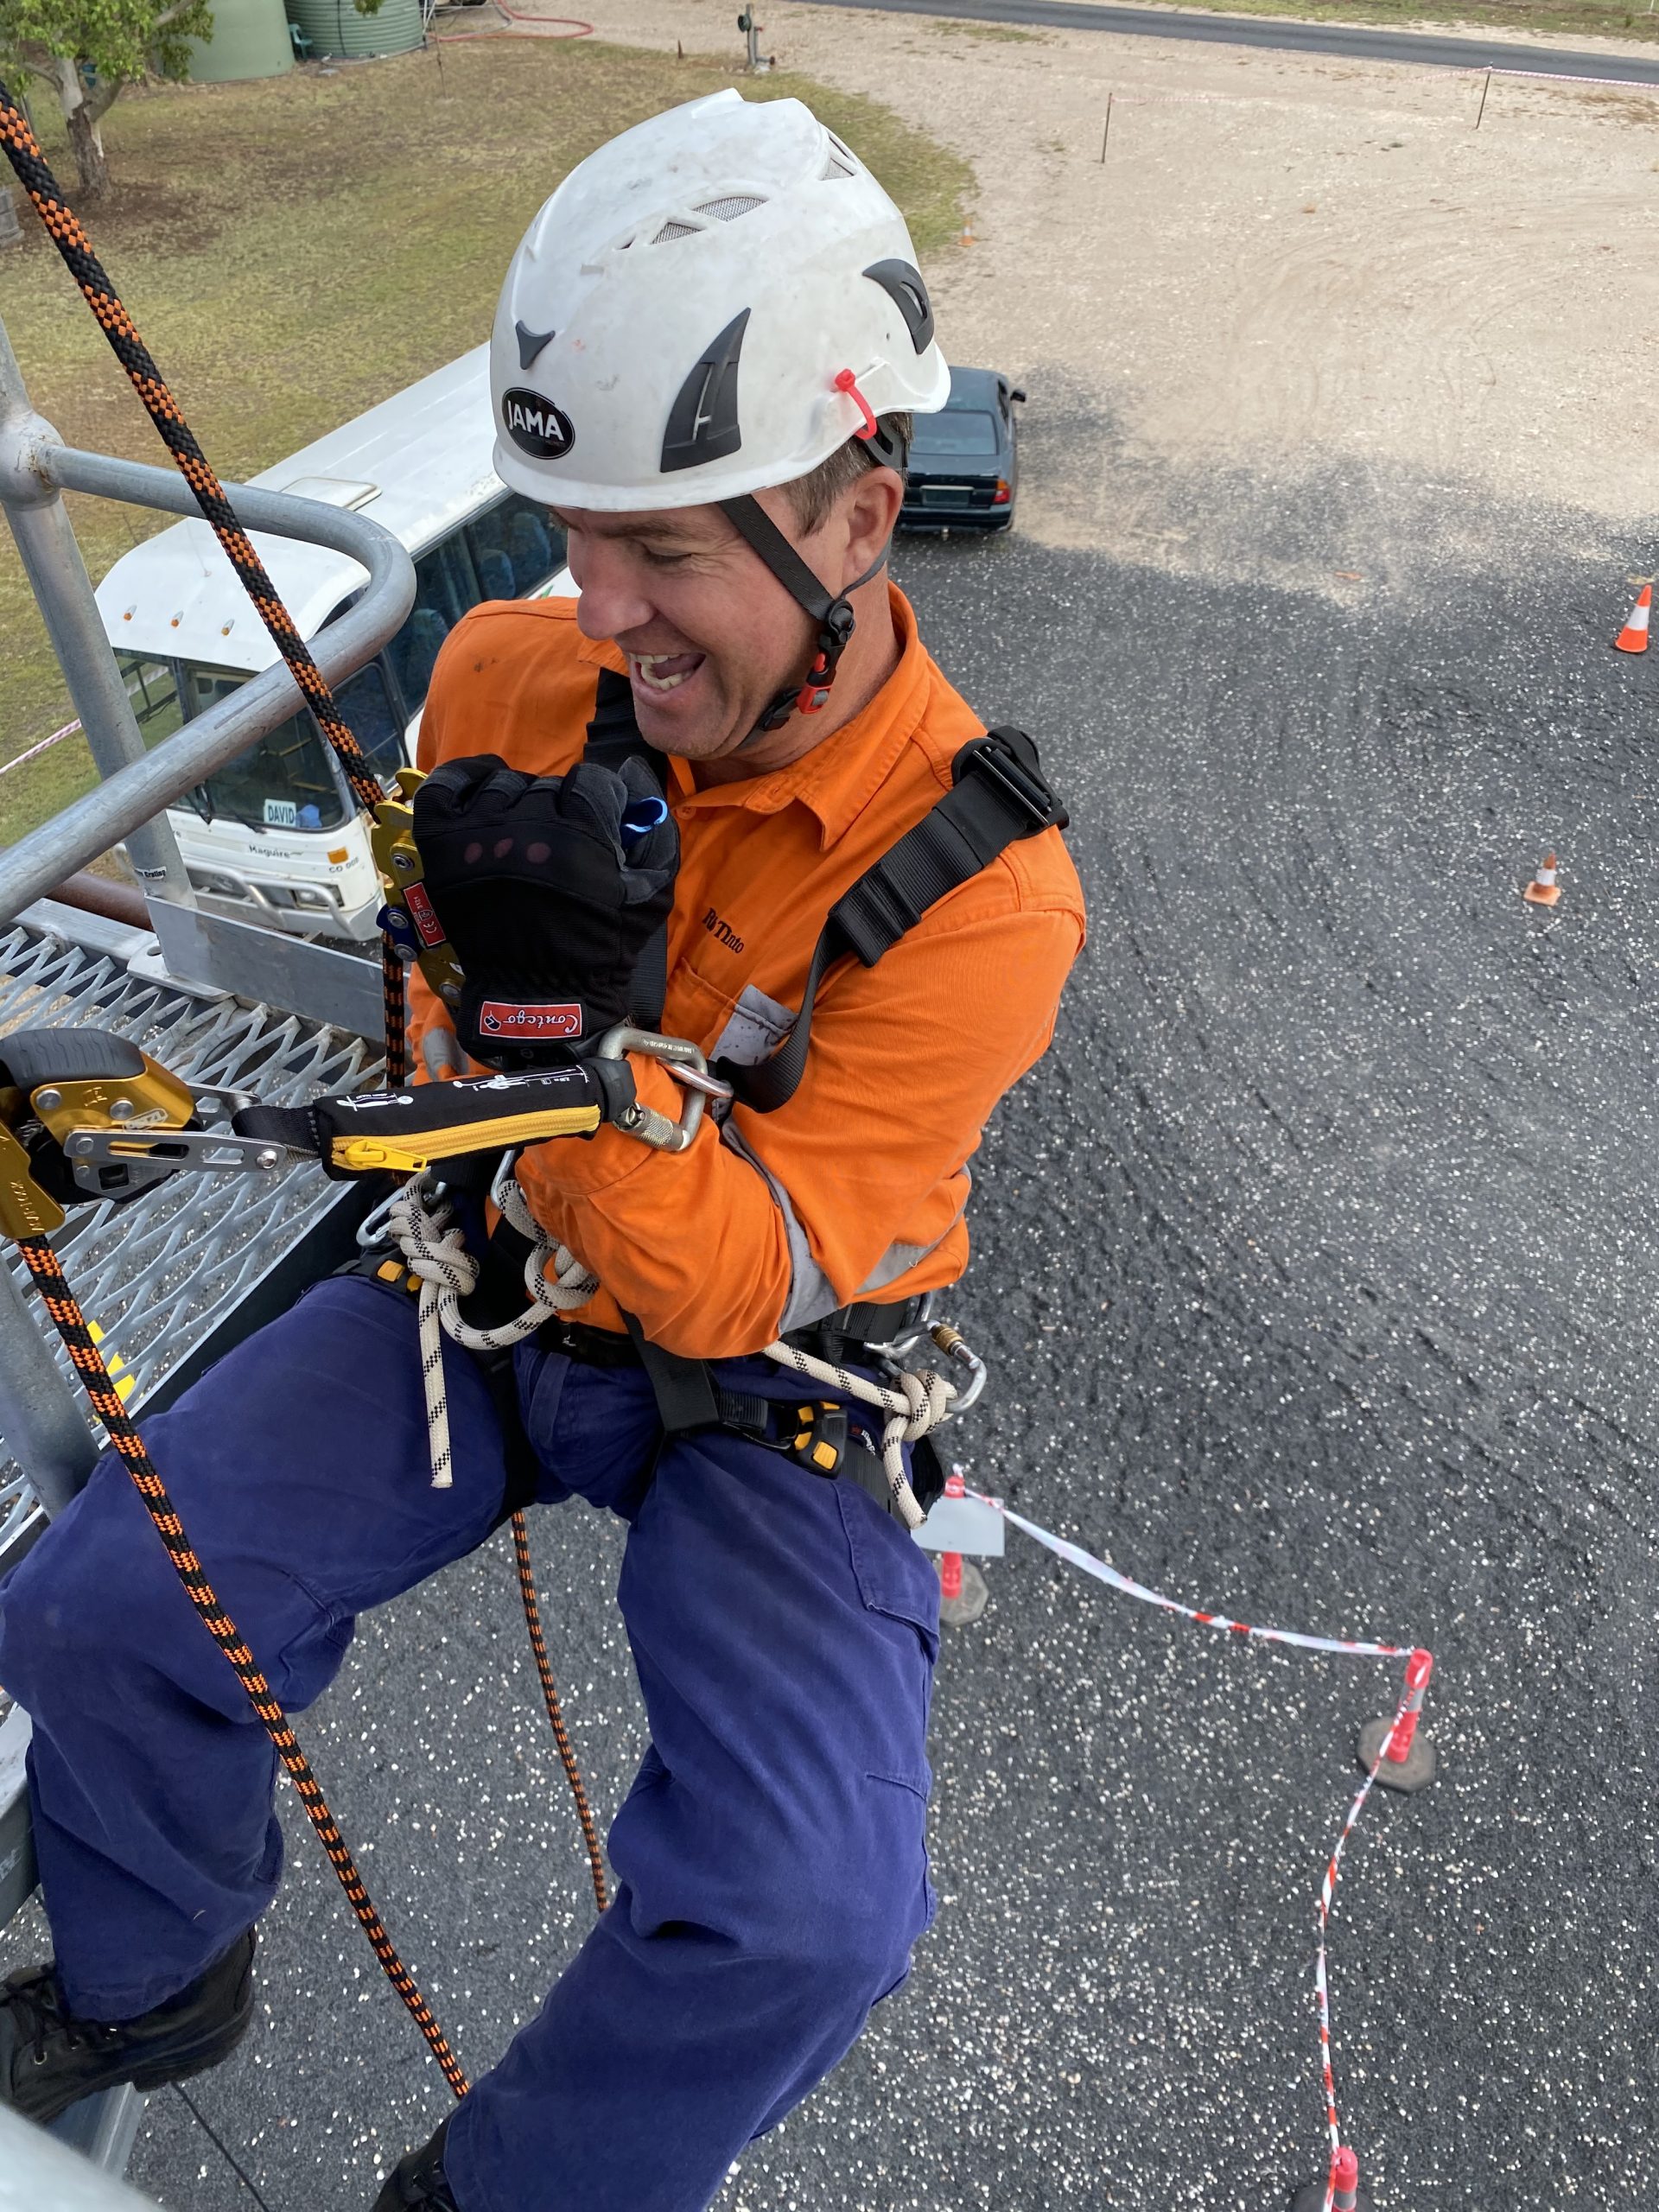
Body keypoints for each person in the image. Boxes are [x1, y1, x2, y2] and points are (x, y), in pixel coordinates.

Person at [0, 90, 1084, 2212]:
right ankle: (154, 1975)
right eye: (575, 537)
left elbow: (721, 1276)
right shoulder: (501, 674)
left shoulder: (982, 889)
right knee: (104, 1608)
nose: (597, 611)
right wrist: (459, 1043)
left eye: (667, 549)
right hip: (487, 1282)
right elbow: (424, 1038)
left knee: (808, 1906)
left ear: (860, 519)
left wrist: (562, 1039)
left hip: (767, 1371)